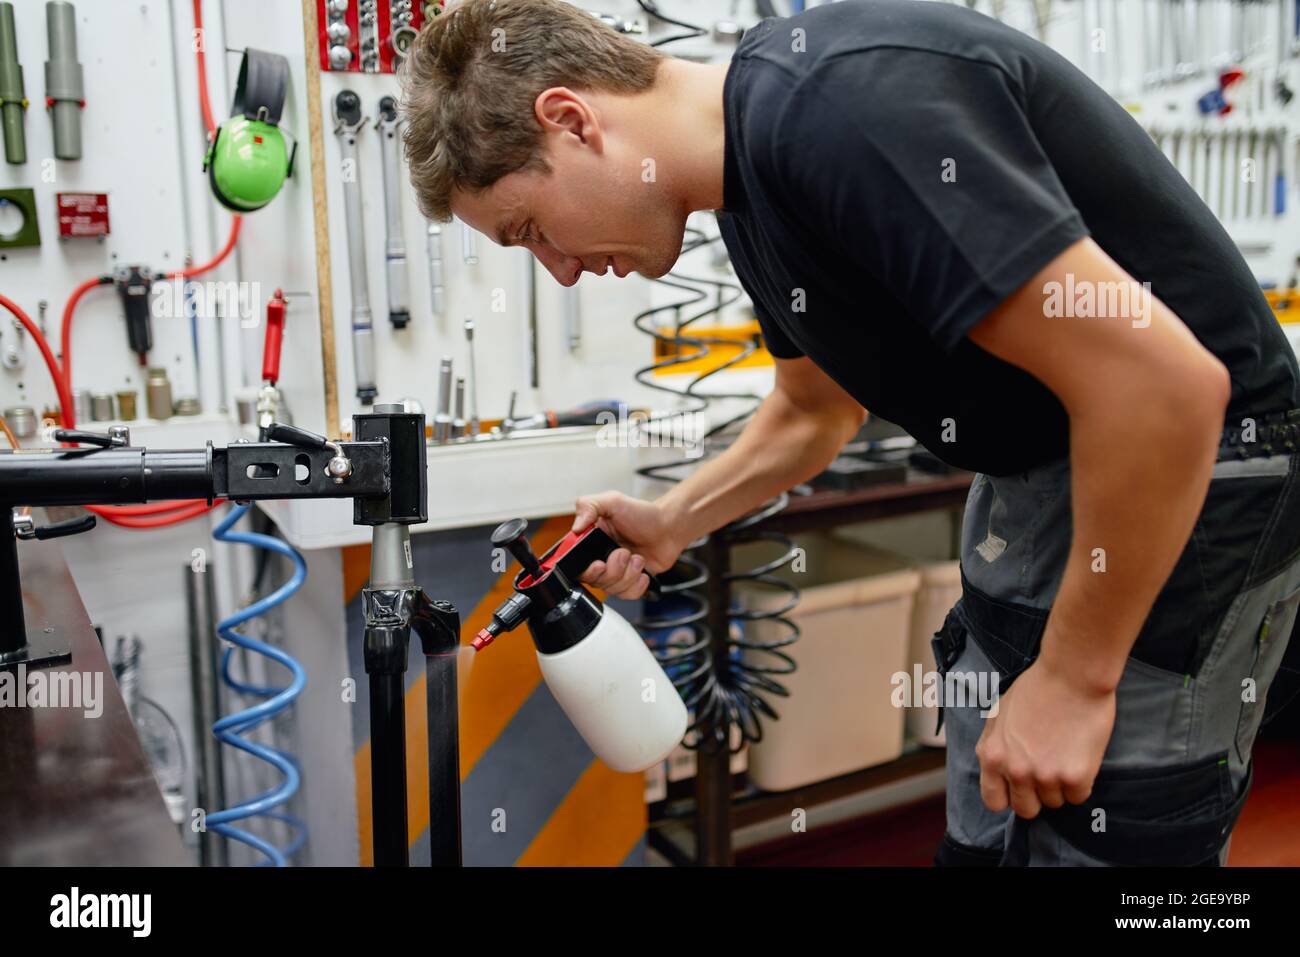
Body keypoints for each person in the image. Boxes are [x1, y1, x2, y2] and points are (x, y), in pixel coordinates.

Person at [400, 0, 1300, 865]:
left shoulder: (835, 108)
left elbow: (1165, 390)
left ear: (571, 120)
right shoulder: (748, 187)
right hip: (1040, 473)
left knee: (1107, 840)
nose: (558, 273)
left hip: (1190, 465)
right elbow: (814, 412)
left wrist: (1075, 678)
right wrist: (677, 518)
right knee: (991, 828)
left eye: (531, 231)